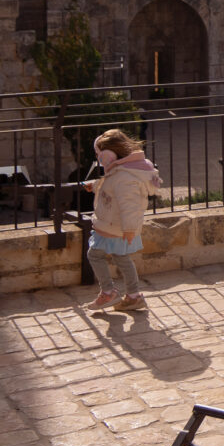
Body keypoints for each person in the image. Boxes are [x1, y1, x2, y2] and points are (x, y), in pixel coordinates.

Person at [87, 130, 159, 311]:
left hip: (116, 226)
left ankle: (108, 292)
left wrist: (129, 229)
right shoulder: (123, 171)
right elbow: (110, 187)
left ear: (108, 156)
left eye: (99, 156)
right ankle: (133, 296)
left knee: (94, 255)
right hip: (117, 225)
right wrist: (95, 186)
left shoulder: (124, 176)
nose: (99, 160)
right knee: (122, 258)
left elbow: (129, 205)